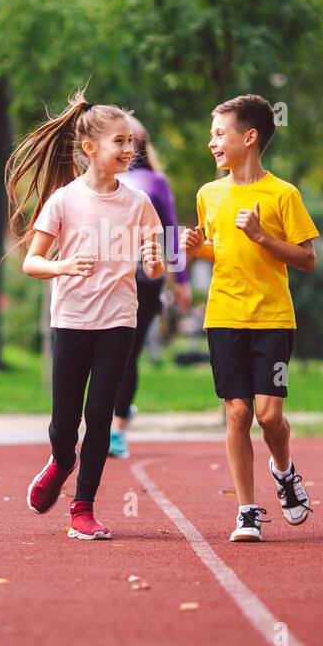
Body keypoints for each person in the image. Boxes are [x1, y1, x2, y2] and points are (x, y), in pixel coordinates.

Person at [7, 92, 164, 540]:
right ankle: (60, 461)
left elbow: (155, 268)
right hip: (72, 319)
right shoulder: (64, 200)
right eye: (120, 141)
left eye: (131, 142)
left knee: (100, 415)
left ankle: (83, 506)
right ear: (90, 147)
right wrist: (61, 266)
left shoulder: (139, 204)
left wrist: (154, 259)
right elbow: (31, 263)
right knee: (64, 422)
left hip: (118, 320)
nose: (129, 150)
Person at [182, 94, 319, 543]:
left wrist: (262, 236)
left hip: (273, 317)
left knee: (268, 415)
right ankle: (246, 510)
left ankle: (284, 470)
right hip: (223, 314)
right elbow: (216, 248)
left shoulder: (283, 194)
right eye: (212, 134)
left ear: (250, 137)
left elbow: (307, 259)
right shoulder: (209, 194)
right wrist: (191, 247)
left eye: (220, 134)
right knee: (238, 414)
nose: (212, 142)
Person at [109, 117, 192, 459]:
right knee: (105, 354)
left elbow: (171, 231)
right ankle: (109, 416)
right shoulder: (101, 181)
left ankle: (117, 428)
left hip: (144, 281)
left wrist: (182, 281)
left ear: (140, 140)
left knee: (127, 354)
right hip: (106, 279)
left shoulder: (156, 183)